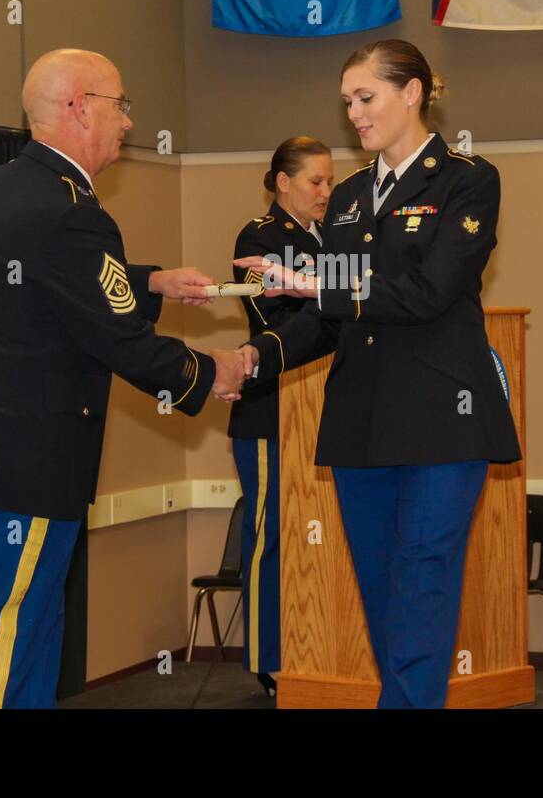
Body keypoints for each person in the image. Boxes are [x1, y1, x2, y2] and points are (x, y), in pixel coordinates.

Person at [0, 48, 245, 708]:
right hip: (26, 478)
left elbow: (63, 291)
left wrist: (152, 282)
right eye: (121, 106)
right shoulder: (71, 212)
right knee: (1, 659)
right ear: (78, 107)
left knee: (22, 647)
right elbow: (121, 342)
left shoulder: (1, 190)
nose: (129, 125)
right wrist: (211, 371)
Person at [234, 39, 522, 709]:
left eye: (366, 98)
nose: (354, 115)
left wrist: (311, 287)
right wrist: (256, 358)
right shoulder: (352, 197)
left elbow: (428, 292)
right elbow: (330, 316)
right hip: (363, 422)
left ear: (413, 93)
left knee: (421, 590)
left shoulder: (467, 179)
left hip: (441, 424)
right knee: (385, 597)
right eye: (347, 103)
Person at [228, 136, 332, 694]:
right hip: (272, 408)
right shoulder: (261, 237)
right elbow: (280, 313)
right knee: (270, 534)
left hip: (325, 409)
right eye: (315, 181)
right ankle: (269, 657)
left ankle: (319, 642)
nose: (325, 192)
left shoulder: (334, 236)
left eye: (331, 182)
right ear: (283, 182)